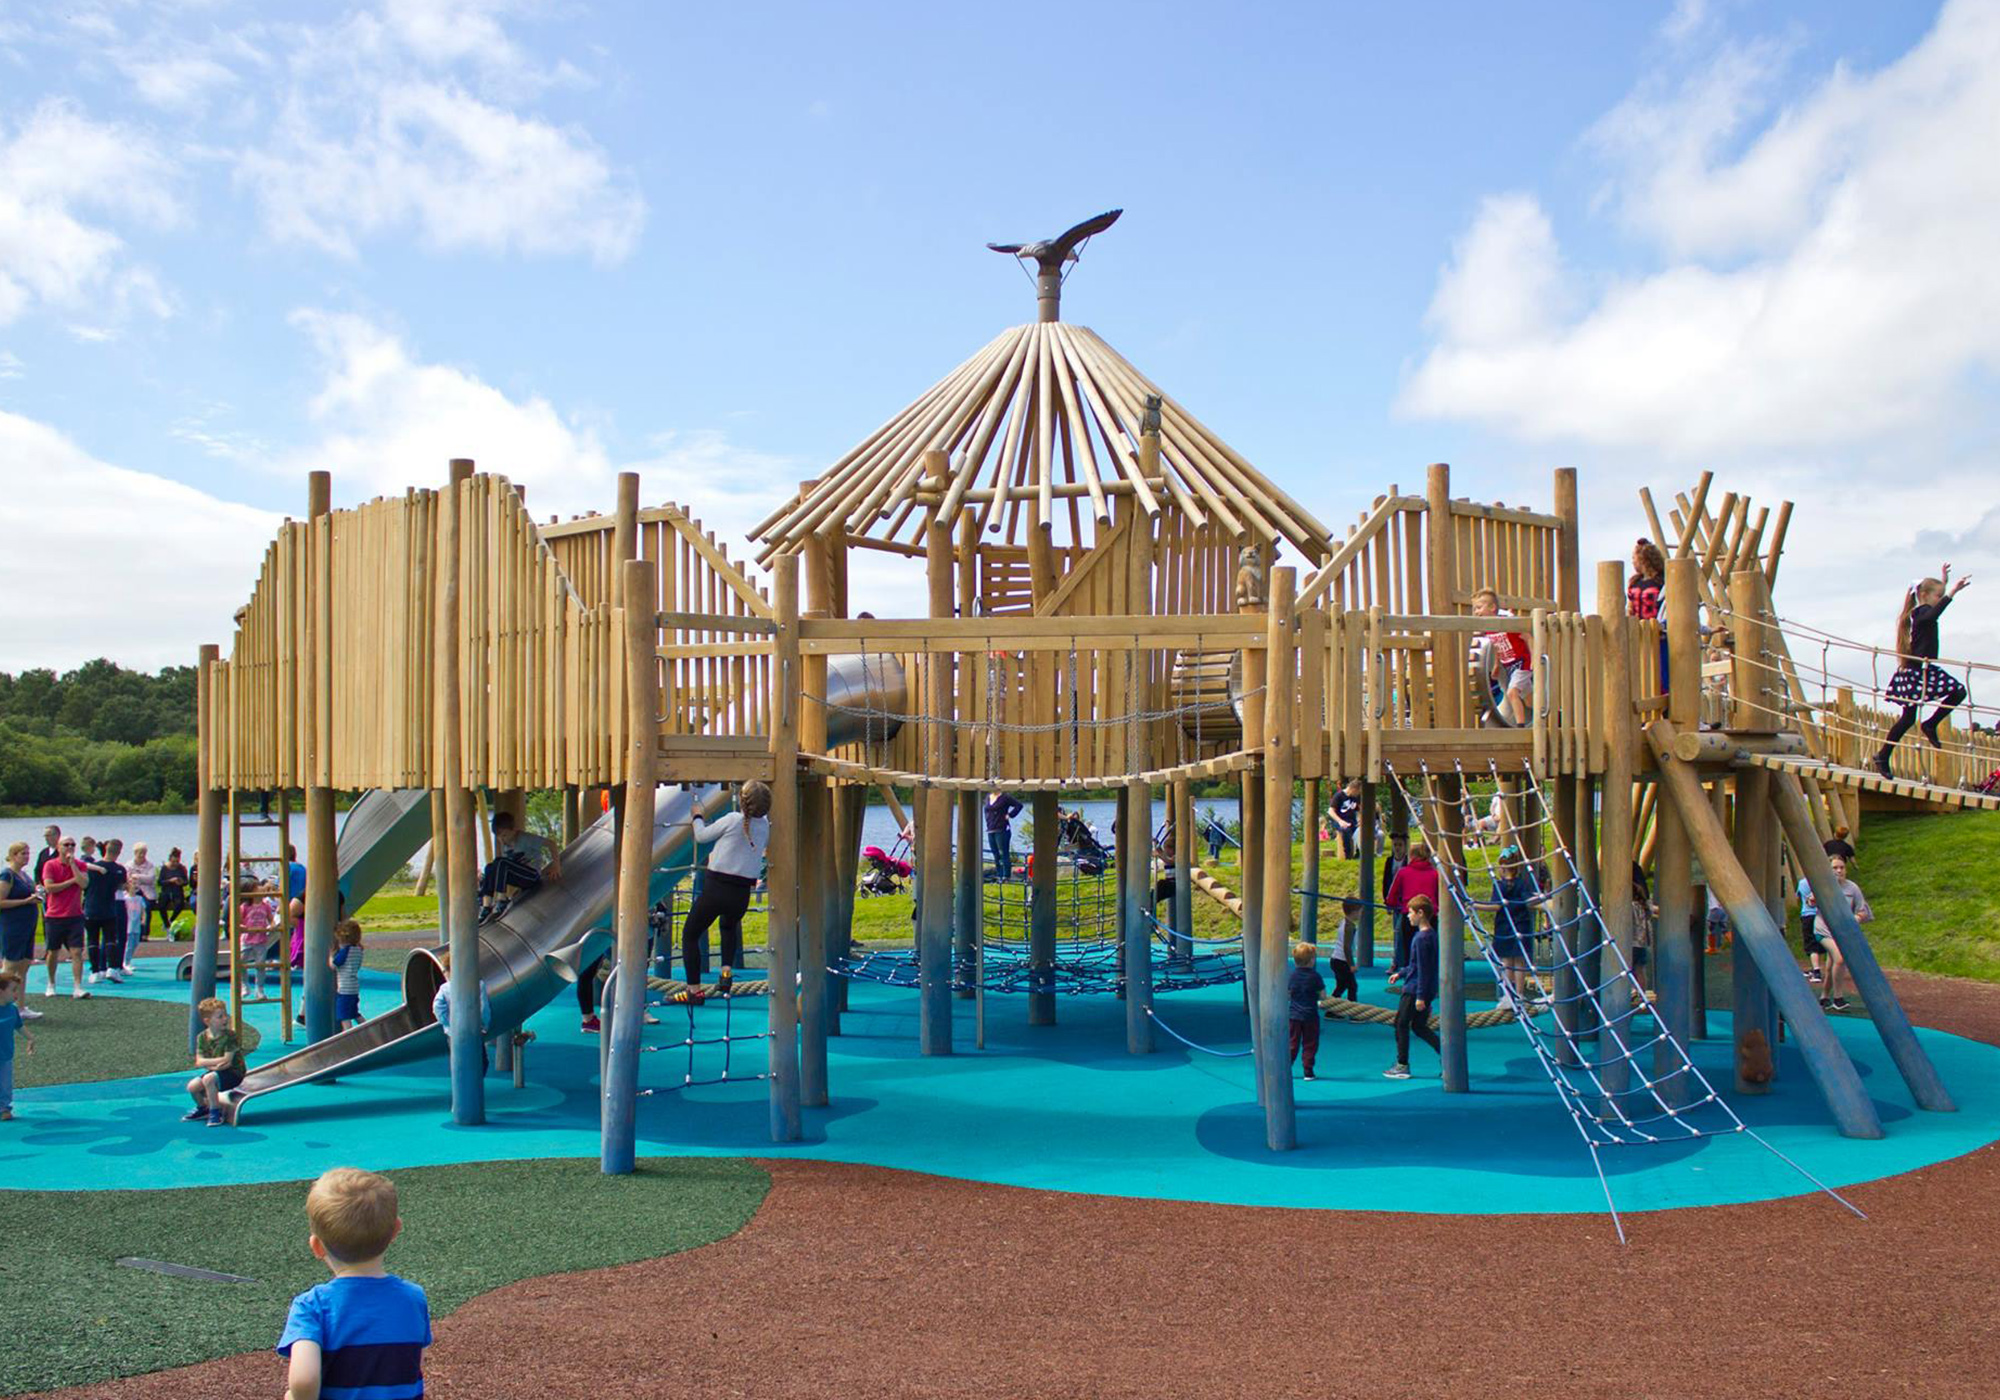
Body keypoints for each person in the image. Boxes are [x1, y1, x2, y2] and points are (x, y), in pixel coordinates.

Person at [277, 1167, 433, 1400]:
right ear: (395, 1231)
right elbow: (409, 1362)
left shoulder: (312, 1306)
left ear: (317, 1247)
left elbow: (304, 1379)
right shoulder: (413, 1298)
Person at [1874, 569, 1973, 778]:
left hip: (1925, 670)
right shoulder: (1920, 614)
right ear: (1924, 596)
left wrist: (1944, 582)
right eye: (1937, 595)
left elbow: (1935, 606)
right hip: (1915, 672)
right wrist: (1952, 592)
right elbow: (1934, 613)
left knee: (1958, 692)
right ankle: (1883, 756)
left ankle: (1930, 723)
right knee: (1908, 719)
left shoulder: (1923, 611)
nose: (1939, 599)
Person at [679, 781, 771, 1001]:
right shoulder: (765, 826)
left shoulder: (732, 820)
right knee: (728, 928)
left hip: (716, 889)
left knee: (690, 935)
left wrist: (697, 816)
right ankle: (725, 975)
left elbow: (701, 836)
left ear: (741, 800)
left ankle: (694, 990)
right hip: (741, 895)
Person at [1384, 895, 1442, 1079]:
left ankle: (1402, 1064)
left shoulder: (1421, 939)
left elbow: (1424, 969)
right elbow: (1417, 965)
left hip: (1414, 989)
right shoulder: (1429, 935)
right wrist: (1400, 973)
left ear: (1420, 913)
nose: (1408, 916)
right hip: (1420, 987)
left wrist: (1420, 996)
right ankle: (1446, 1054)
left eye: (1410, 912)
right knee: (1419, 1026)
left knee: (1400, 1024)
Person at [1818, 855, 1873, 1013]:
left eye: (1842, 867)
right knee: (1840, 959)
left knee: (1831, 965)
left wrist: (1856, 917)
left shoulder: (1852, 888)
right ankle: (1838, 998)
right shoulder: (1822, 886)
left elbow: (1863, 910)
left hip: (1841, 932)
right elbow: (1811, 900)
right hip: (1824, 930)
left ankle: (1824, 996)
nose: (1839, 871)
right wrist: (1812, 900)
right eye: (1835, 868)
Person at [478, 812, 559, 918]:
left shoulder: (526, 838)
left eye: (504, 835)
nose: (502, 840)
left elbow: (551, 844)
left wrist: (556, 866)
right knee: (490, 867)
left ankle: (502, 900)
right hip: (519, 876)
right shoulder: (506, 845)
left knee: (501, 862)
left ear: (514, 830)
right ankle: (486, 904)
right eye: (499, 837)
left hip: (531, 875)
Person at [1471, 587, 1533, 726]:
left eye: (1479, 608)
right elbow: (1498, 646)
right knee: (1529, 701)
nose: (1476, 612)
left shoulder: (1508, 623)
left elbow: (1528, 637)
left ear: (1492, 607)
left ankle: (1520, 726)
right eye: (1475, 609)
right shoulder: (1488, 630)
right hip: (1510, 666)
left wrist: (1534, 658)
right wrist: (1496, 665)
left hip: (1523, 663)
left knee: (1512, 693)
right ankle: (1547, 712)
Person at [39, 836, 90, 999]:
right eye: (66, 844)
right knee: (53, 952)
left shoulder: (80, 865)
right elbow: (50, 887)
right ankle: (51, 983)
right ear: (59, 847)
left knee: (76, 952)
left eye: (72, 845)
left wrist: (73, 865)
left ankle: (77, 987)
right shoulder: (50, 865)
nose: (69, 847)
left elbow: (84, 884)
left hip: (75, 915)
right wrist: (70, 881)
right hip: (54, 915)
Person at [0, 844, 44, 1022]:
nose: (26, 856)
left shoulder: (25, 876)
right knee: (10, 968)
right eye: (22, 854)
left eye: (28, 853)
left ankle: (20, 1007)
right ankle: (3, 1008)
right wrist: (26, 901)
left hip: (27, 926)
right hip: (12, 926)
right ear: (13, 855)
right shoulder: (7, 875)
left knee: (24, 967)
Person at [185, 996, 244, 1126]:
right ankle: (203, 1108)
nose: (225, 1019)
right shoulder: (202, 1037)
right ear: (207, 1021)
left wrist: (209, 1064)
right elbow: (199, 1061)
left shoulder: (230, 1036)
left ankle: (215, 1112)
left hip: (234, 1074)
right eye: (220, 1016)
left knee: (209, 1079)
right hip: (216, 1071)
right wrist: (215, 1065)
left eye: (225, 1015)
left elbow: (227, 1061)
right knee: (192, 1086)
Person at [1490, 848, 1538, 1004]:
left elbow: (1496, 906)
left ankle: (1508, 994)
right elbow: (1528, 901)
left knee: (1506, 962)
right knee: (1519, 961)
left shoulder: (1499, 885)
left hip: (1505, 924)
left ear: (1502, 868)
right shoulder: (1522, 883)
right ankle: (1519, 993)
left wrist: (1474, 905)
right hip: (1520, 923)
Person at [81, 837, 129, 984]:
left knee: (93, 940)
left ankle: (95, 971)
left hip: (91, 906)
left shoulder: (92, 867)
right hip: (108, 907)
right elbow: (122, 886)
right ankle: (112, 968)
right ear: (119, 852)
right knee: (110, 939)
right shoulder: (119, 869)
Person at [1386, 842, 1438, 972]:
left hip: (1409, 914)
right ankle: (1429, 974)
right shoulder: (1435, 874)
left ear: (1412, 856)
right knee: (1429, 949)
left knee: (1409, 948)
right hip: (1430, 915)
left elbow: (1392, 894)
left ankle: (1411, 974)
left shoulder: (1404, 872)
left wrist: (1392, 904)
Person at [1628, 538, 1669, 693]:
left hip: (1658, 632)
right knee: (1641, 670)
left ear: (1644, 559)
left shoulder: (1661, 581)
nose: (1633, 562)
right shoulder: (1635, 582)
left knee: (1660, 671)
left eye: (1634, 558)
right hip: (1639, 631)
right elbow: (1630, 607)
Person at [1287, 942, 1326, 1081]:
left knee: (1292, 1042)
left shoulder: (1291, 976)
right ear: (1312, 960)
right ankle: (1308, 1071)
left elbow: (1288, 994)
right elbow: (1323, 995)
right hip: (1310, 1015)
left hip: (1294, 1015)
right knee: (1310, 1043)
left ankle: (1286, 1067)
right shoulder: (1315, 976)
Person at [0, 971, 32, 1120]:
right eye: (13, 990)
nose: (16, 994)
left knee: (5, 1083)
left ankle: (3, 1108)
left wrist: (30, 1038)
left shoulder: (12, 1010)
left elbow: (19, 1026)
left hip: (5, 1055)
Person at [123, 842, 157, 973]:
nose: (142, 855)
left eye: (144, 852)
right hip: (128, 923)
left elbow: (151, 878)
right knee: (126, 942)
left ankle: (128, 960)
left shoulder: (150, 865)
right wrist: (136, 879)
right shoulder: (128, 865)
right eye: (139, 852)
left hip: (146, 895)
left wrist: (137, 877)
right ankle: (124, 962)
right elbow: (127, 878)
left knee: (135, 942)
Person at [239, 889, 278, 994]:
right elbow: (238, 921)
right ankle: (244, 985)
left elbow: (271, 920)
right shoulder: (245, 906)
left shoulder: (266, 906)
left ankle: (259, 988)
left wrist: (272, 926)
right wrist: (242, 927)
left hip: (261, 938)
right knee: (241, 962)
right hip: (247, 938)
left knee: (260, 965)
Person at [1326, 896, 1361, 1002]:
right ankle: (1353, 1012)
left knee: (1342, 986)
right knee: (1352, 986)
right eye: (1359, 912)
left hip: (1336, 960)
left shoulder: (1344, 922)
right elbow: (1347, 947)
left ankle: (1332, 1010)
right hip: (1342, 961)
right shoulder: (1350, 927)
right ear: (1354, 912)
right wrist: (1351, 965)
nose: (1360, 914)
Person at [332, 921, 365, 1030]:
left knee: (344, 1016)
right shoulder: (358, 950)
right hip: (354, 987)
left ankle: (348, 1034)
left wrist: (330, 957)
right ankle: (367, 1027)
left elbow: (335, 964)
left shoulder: (345, 951)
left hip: (344, 989)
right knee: (354, 1012)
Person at [985, 791, 1024, 881]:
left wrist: (1010, 815)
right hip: (991, 829)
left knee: (1003, 852)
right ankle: (999, 874)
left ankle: (1006, 876)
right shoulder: (988, 797)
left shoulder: (1005, 797)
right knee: (995, 854)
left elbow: (1019, 805)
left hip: (1002, 829)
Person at [1796, 870, 1824, 985]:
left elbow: (1798, 897)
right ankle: (1815, 968)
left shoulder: (1802, 883)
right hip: (1820, 914)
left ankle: (1816, 971)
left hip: (1807, 914)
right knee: (1820, 940)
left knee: (1810, 943)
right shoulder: (1820, 882)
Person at [156, 847, 190, 933]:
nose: (175, 864)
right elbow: (160, 882)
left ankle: (171, 920)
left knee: (180, 904)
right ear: (170, 859)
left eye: (177, 862)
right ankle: (166, 923)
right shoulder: (164, 868)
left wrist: (181, 882)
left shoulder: (181, 868)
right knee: (162, 905)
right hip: (166, 891)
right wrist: (169, 881)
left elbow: (186, 881)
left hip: (177, 891)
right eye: (173, 862)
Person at [1327, 780, 1362, 859]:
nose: (1358, 793)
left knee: (1360, 830)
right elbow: (1330, 811)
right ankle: (1348, 855)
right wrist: (1340, 821)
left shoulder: (1356, 797)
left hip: (1352, 820)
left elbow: (1360, 809)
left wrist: (1361, 819)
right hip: (1339, 820)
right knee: (1346, 830)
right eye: (1358, 791)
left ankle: (1360, 853)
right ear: (1353, 789)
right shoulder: (1339, 796)